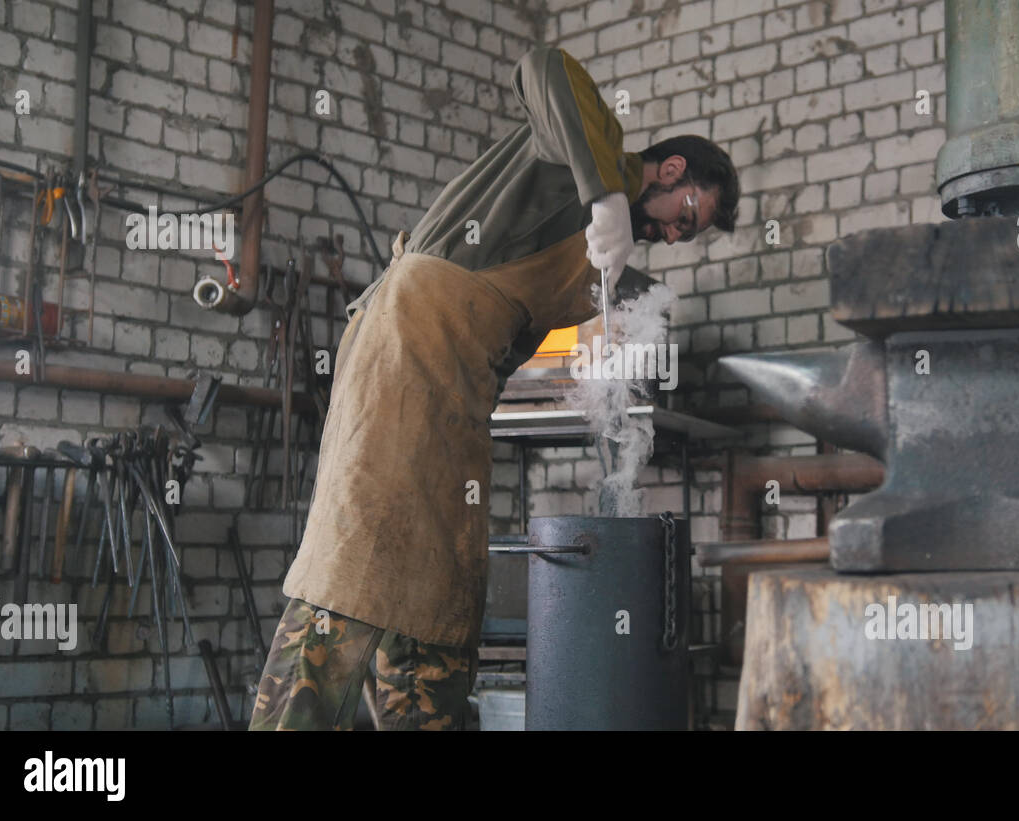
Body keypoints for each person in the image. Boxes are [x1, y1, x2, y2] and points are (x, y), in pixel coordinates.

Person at [249, 46, 741, 730]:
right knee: (361, 555)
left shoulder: (604, 258)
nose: (668, 233)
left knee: (445, 584)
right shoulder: (587, 148)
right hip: (408, 353)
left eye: (681, 235)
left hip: (459, 392)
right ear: (671, 169)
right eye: (681, 217)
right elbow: (543, 67)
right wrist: (605, 193)